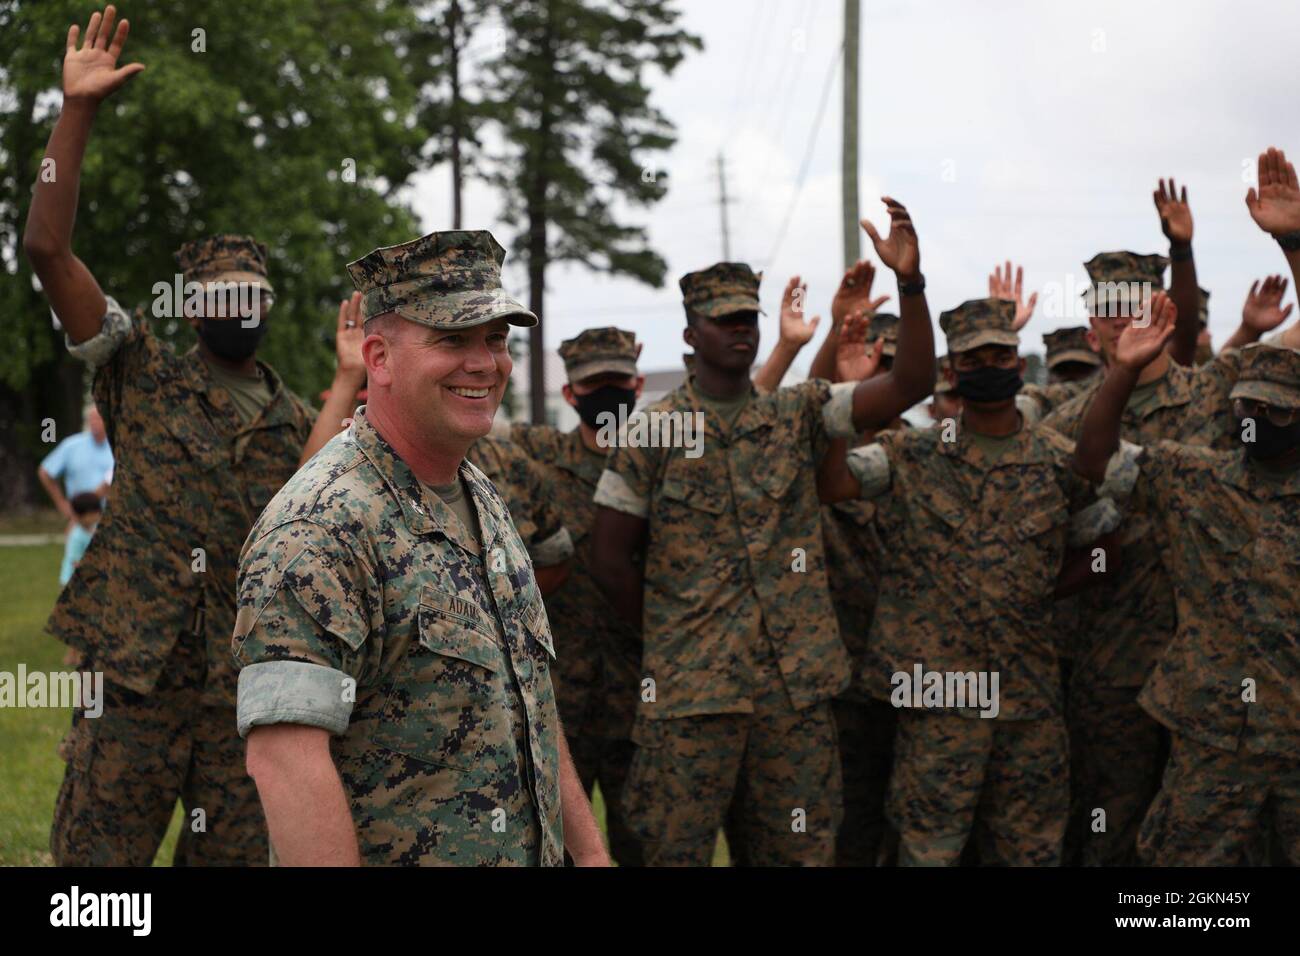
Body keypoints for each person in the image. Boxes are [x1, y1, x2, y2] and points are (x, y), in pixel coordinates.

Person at [22, 5, 360, 866]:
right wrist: (78, 112)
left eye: (250, 293)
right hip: (131, 680)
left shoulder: (291, 421)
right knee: (96, 882)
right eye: (218, 295)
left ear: (267, 305)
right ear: (191, 305)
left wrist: (350, 382)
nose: (235, 307)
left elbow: (308, 501)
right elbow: (46, 251)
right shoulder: (141, 373)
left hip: (239, 694)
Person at [234, 229, 609, 867]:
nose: (485, 363)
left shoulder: (478, 494)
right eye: (453, 339)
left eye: (496, 339)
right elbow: (285, 759)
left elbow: (532, 700)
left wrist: (592, 855)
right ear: (377, 358)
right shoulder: (320, 526)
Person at [591, 198, 935, 866]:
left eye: (747, 317)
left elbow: (913, 382)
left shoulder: (797, 414)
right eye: (723, 321)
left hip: (794, 700)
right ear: (691, 335)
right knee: (670, 854)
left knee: (799, 853)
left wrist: (913, 284)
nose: (740, 331)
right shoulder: (651, 431)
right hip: (691, 703)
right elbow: (609, 561)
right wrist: (676, 640)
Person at [818, 296, 1119, 866]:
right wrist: (844, 402)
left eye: (1001, 355)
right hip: (938, 704)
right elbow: (833, 485)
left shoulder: (1058, 461)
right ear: (951, 372)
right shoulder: (911, 454)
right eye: (973, 359)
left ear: (1018, 362)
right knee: (927, 852)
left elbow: (1104, 543)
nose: (990, 367)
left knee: (1029, 852)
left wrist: (1039, 588)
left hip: (1027, 700)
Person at [1042, 252, 1292, 866]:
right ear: (1091, 324)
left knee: (1229, 843)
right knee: (1112, 824)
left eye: (1138, 303)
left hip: (1231, 679)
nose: (1124, 319)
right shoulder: (1067, 423)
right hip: (1114, 664)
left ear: (1165, 310)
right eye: (1110, 308)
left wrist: (1285, 240)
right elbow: (1060, 519)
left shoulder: (1222, 390)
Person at [479, 326, 647, 866]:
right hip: (561, 691)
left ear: (638, 383)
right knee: (557, 843)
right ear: (571, 394)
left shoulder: (662, 458)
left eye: (617, 381)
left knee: (646, 839)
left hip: (641, 690)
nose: (608, 393)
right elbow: (475, 430)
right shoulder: (538, 454)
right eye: (593, 384)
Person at [37, 403, 113, 520]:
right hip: (80, 516)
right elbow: (45, 472)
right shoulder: (71, 446)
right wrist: (61, 503)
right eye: (91, 419)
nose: (94, 423)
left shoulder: (118, 447)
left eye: (98, 418)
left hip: (113, 516)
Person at [60, 492, 103, 587]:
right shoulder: (76, 537)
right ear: (79, 516)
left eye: (97, 512)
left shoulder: (97, 528)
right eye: (92, 513)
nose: (96, 515)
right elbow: (75, 562)